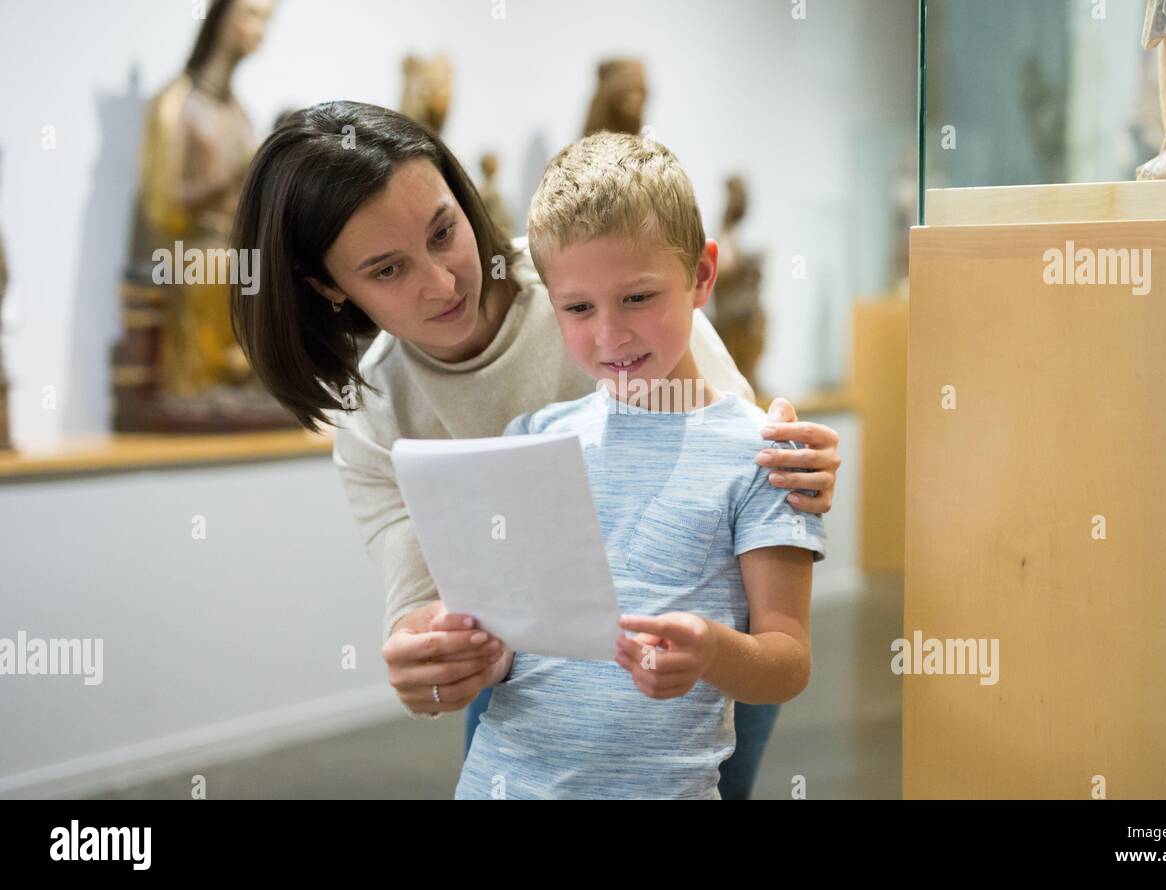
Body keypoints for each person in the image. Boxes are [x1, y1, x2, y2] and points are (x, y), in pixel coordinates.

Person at [229, 101, 843, 797]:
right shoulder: (378, 416)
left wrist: (791, 457)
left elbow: (738, 441)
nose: (443, 281)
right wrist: (435, 658)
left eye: (442, 232)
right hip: (532, 731)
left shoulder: (595, 261)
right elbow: (450, 617)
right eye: (387, 270)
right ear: (329, 287)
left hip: (693, 697)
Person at [453, 131, 825, 799]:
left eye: (638, 298)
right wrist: (467, 652)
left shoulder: (769, 454)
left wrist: (713, 652)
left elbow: (788, 663)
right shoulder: (532, 438)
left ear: (703, 276)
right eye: (578, 308)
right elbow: (508, 643)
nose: (610, 335)